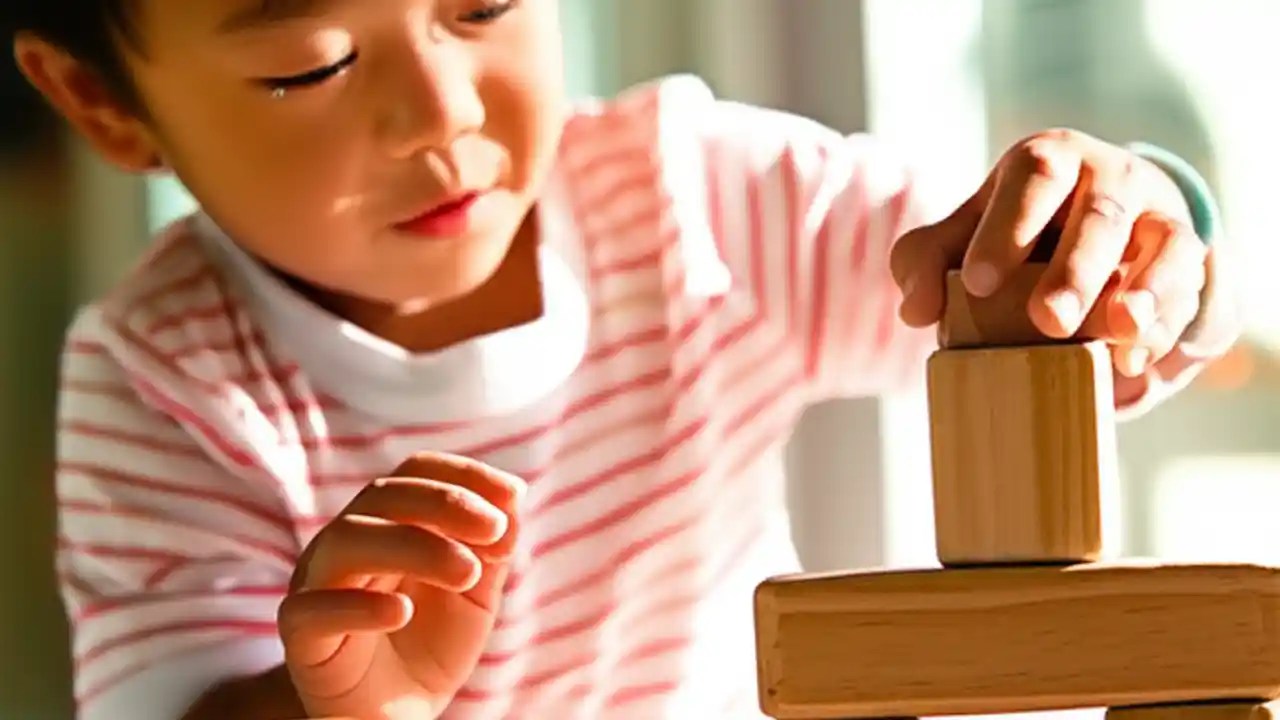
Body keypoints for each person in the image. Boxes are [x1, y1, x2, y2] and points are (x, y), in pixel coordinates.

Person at [10, 1, 1240, 718]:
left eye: (482, 3)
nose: (440, 112)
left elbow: (1010, 278)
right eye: (310, 66)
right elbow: (183, 702)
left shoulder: (695, 196)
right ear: (103, 101)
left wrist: (1133, 237)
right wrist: (336, 706)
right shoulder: (162, 379)